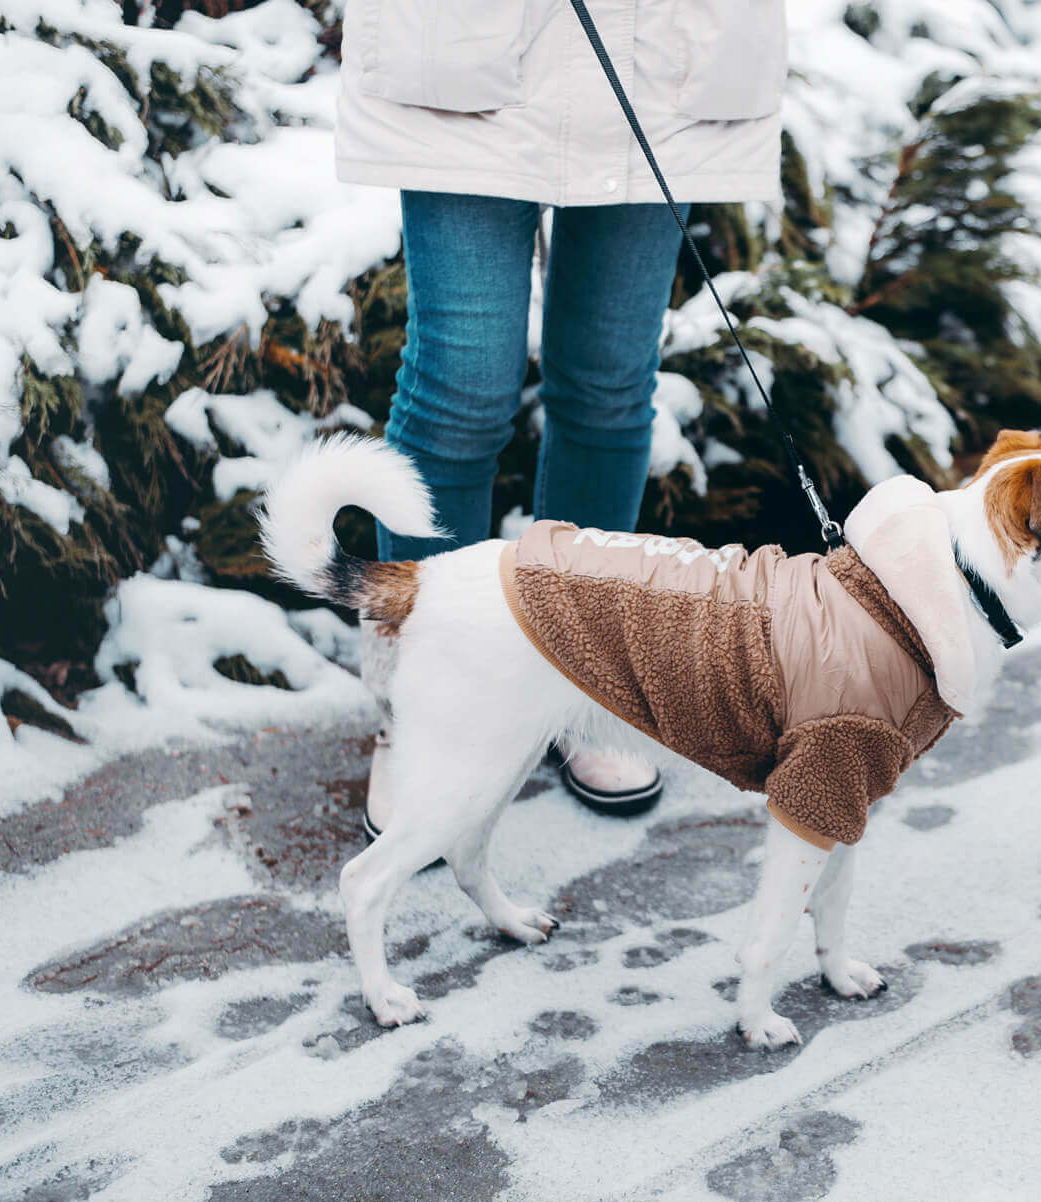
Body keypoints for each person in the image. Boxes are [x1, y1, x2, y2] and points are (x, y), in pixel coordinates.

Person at [333, 0, 789, 826]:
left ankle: (584, 681)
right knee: (459, 389)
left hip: (669, 51)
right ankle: (428, 704)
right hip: (470, 49)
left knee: (610, 383)